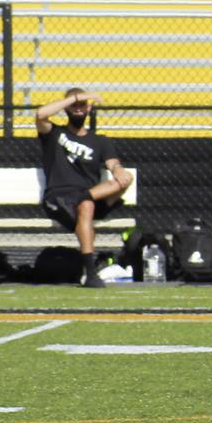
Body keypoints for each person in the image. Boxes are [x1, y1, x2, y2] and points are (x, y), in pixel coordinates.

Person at [33, 87, 134, 288]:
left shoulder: (100, 141)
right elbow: (40, 114)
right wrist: (79, 97)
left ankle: (83, 197)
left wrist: (119, 170)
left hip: (90, 196)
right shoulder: (54, 133)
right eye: (74, 105)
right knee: (86, 205)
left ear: (89, 109)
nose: (78, 108)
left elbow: (113, 164)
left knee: (127, 177)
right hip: (59, 198)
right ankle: (91, 272)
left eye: (83, 106)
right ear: (67, 107)